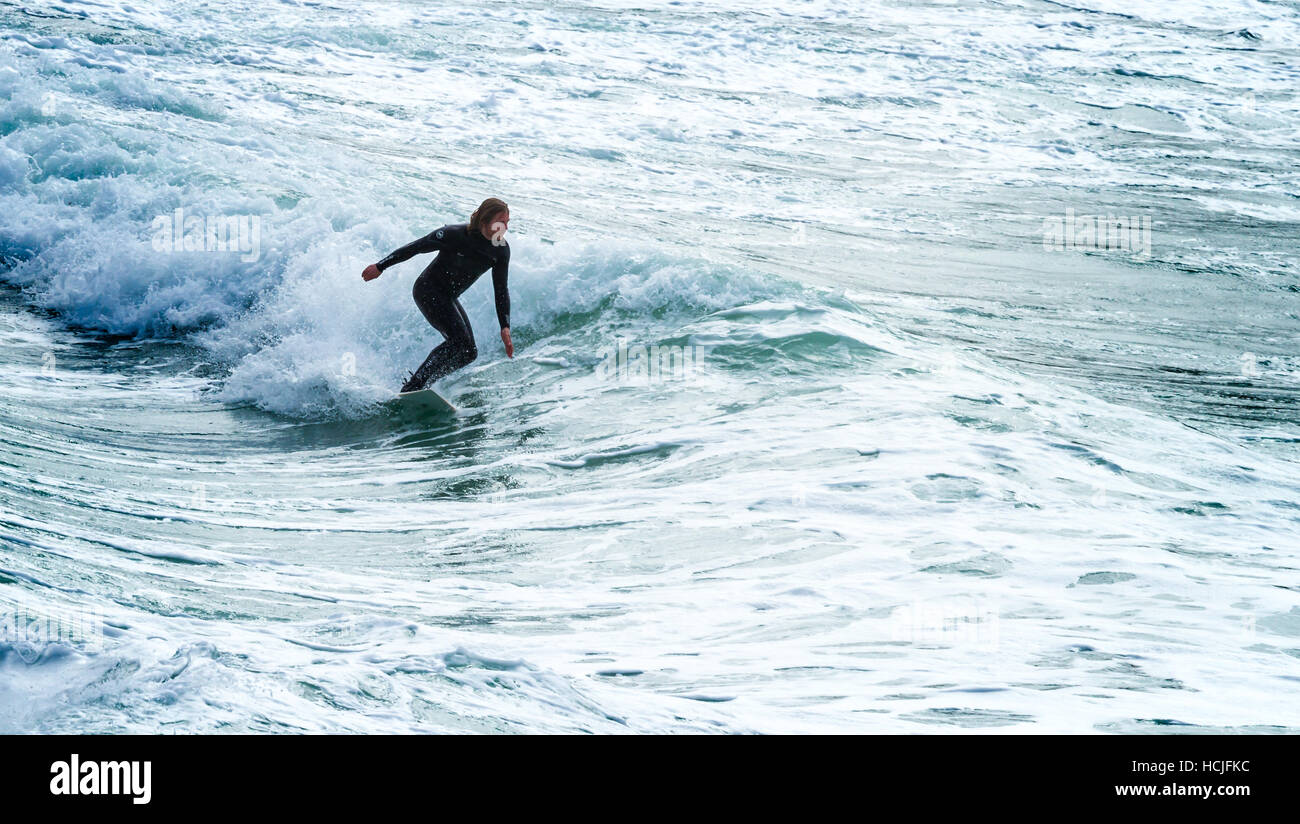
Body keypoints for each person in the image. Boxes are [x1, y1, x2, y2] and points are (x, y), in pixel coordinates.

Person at [362, 198, 513, 392]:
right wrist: (380, 266)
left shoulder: (500, 249)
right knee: (458, 342)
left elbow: (501, 289)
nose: (506, 227)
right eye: (502, 221)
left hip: (448, 297)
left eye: (508, 222)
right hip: (427, 290)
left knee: (469, 353)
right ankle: (414, 386)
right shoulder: (455, 234)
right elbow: (416, 247)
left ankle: (423, 383)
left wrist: (505, 326)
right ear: (485, 220)